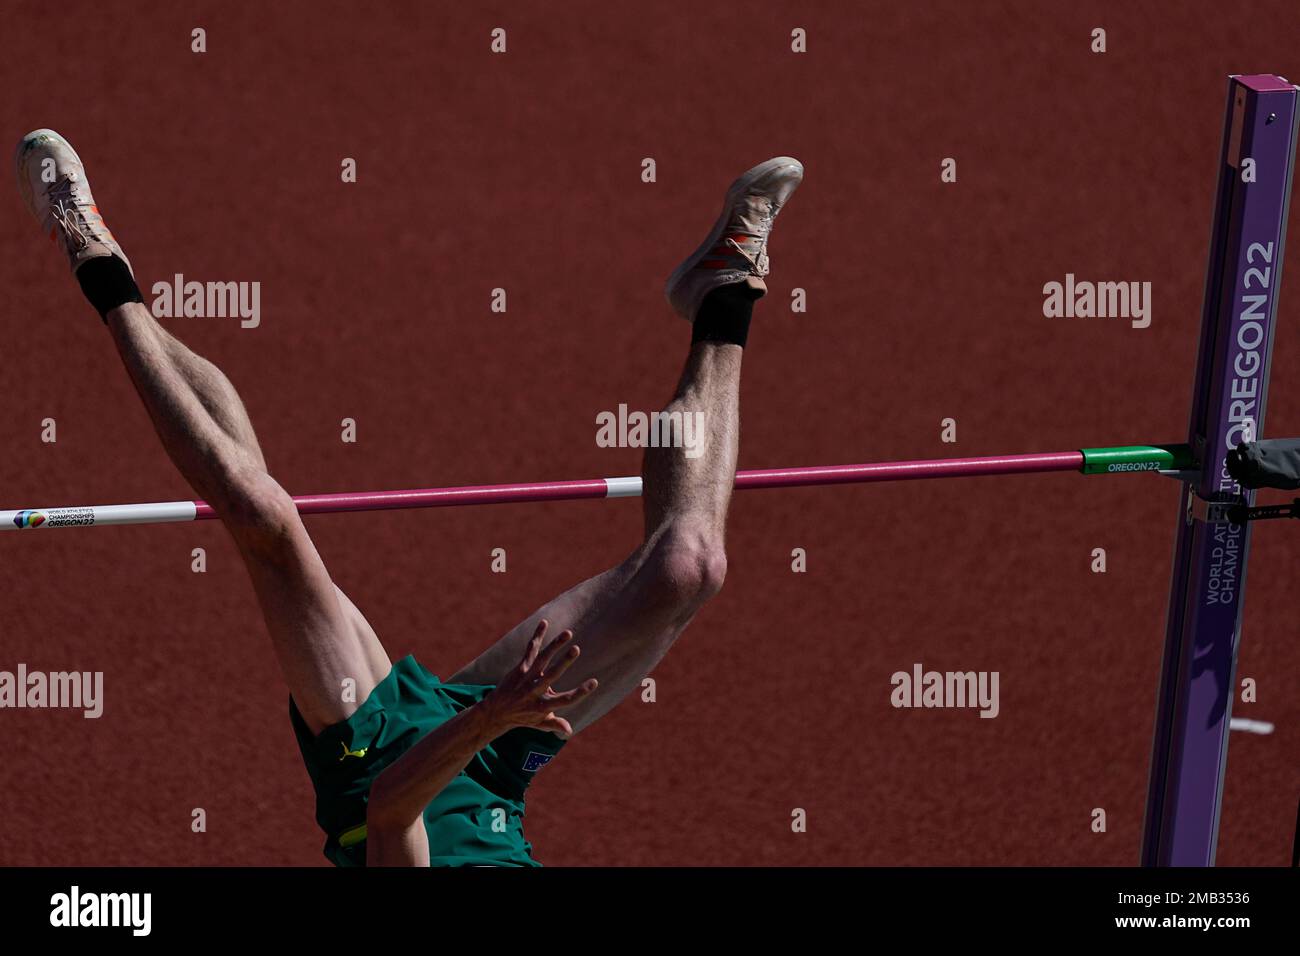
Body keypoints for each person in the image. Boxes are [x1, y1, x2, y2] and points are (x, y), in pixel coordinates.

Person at [14, 129, 803, 866]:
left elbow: (394, 812)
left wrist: (488, 717)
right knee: (689, 567)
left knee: (264, 516)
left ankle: (93, 254)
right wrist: (496, 725)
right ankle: (722, 291)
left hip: (376, 751)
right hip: (492, 765)